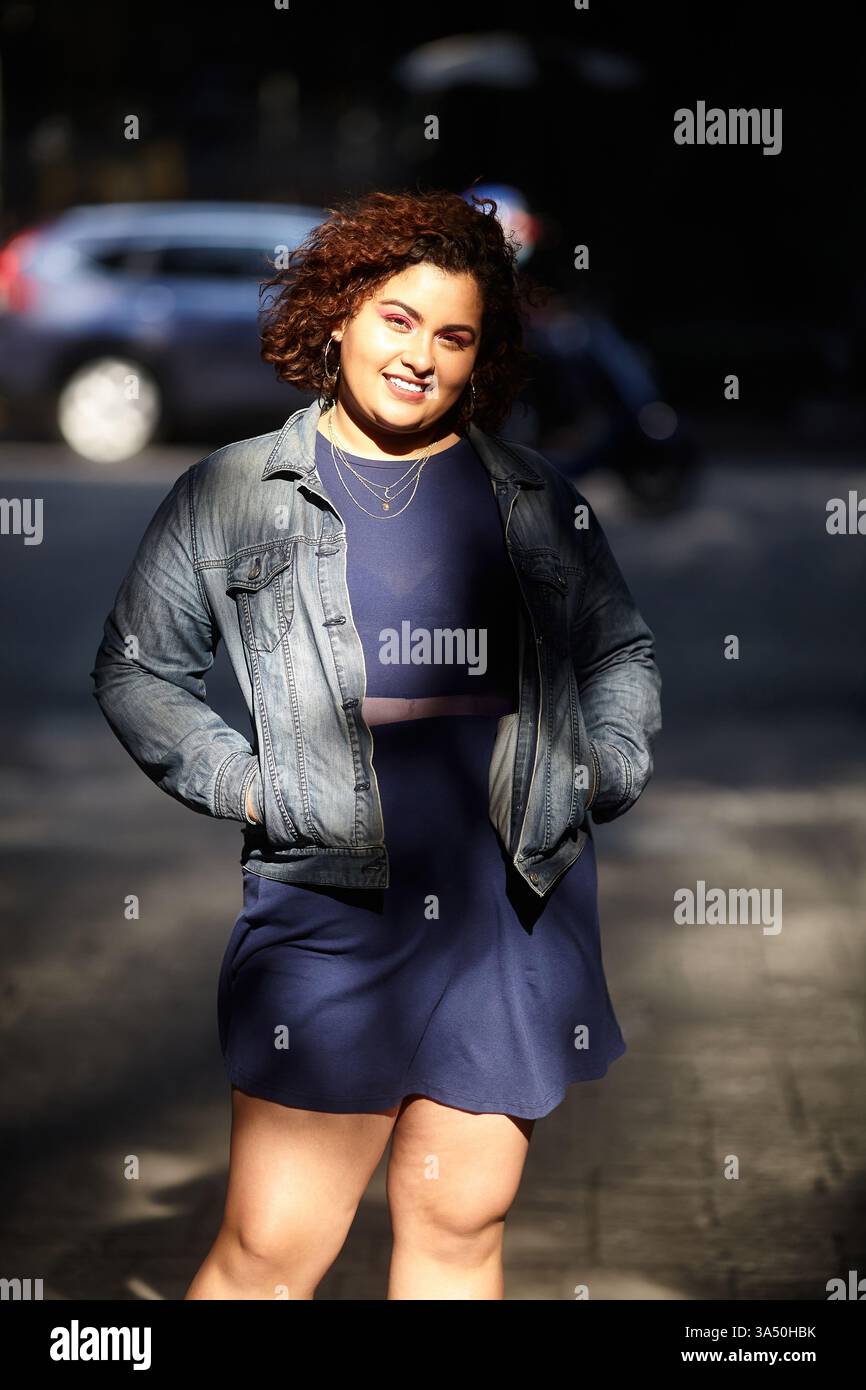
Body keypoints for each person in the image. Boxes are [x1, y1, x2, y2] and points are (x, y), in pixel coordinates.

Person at [90, 187, 661, 1300]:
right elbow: (137, 668)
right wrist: (251, 791)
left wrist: (603, 766)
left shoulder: (535, 498)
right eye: (397, 319)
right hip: (330, 911)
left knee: (459, 1221)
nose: (420, 356)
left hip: (509, 904)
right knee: (271, 1252)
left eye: (454, 336)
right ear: (340, 315)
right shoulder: (231, 494)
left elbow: (619, 653)